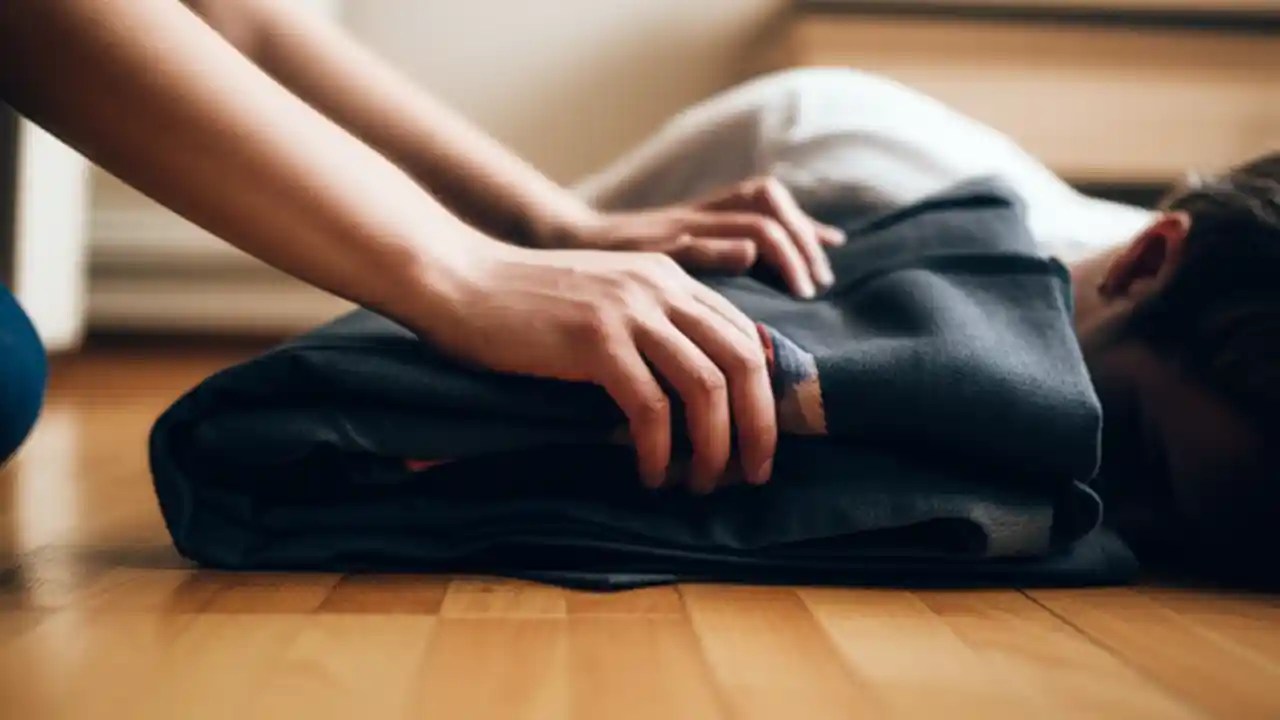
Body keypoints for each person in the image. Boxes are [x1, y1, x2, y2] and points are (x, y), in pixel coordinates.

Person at [2, 2, 1275, 567]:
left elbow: (245, 16)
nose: (1100, 524)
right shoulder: (859, 152)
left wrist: (544, 223)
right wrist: (460, 274)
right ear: (1149, 259)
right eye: (1139, 464)